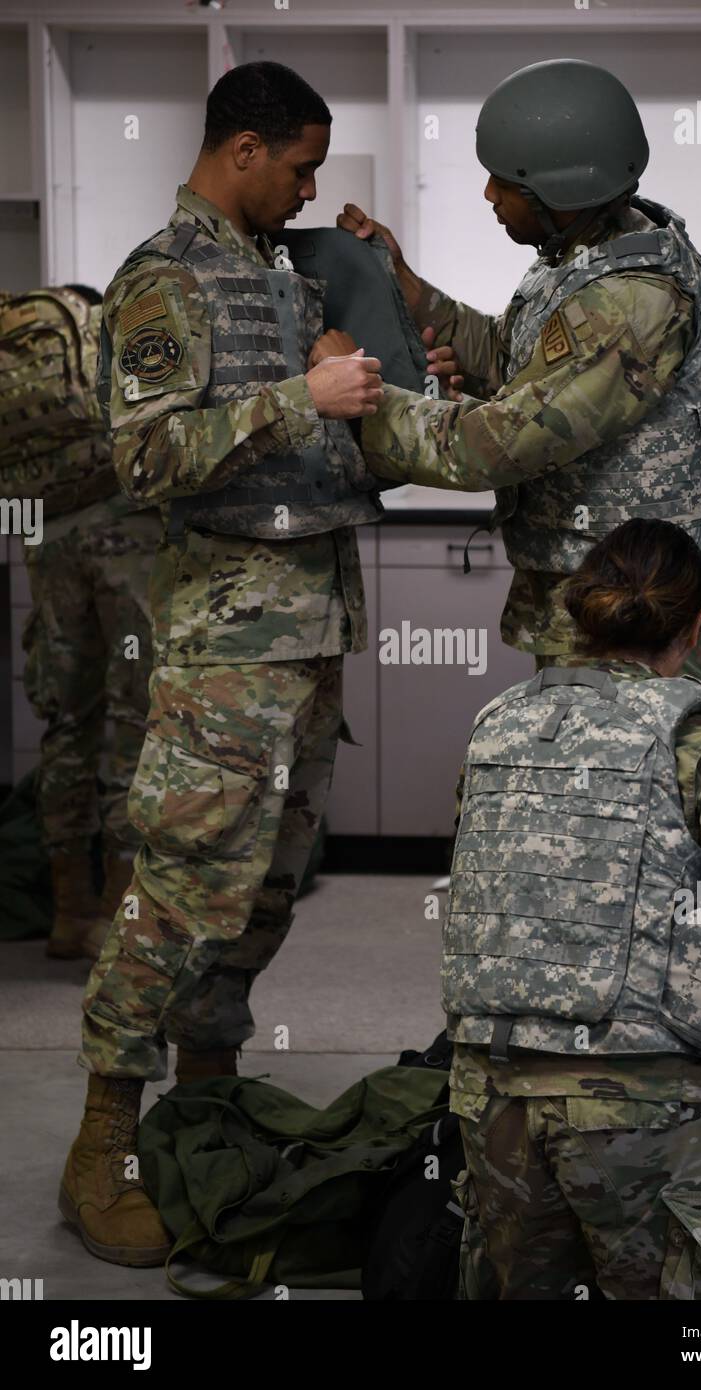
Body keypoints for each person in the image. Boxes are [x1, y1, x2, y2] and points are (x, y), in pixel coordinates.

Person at [58, 60, 441, 1268]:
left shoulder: (279, 267)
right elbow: (149, 461)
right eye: (300, 166)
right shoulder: (162, 279)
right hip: (227, 641)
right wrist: (298, 396)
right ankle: (105, 1137)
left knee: (263, 891)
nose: (309, 188)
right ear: (241, 151)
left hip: (314, 624)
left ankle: (208, 1096)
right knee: (178, 888)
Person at [442, 517, 701, 1300]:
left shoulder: (492, 727)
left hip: (492, 1105)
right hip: (649, 1115)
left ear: (582, 613)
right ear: (699, 625)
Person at [338, 58, 701, 676]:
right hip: (616, 585)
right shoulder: (582, 249)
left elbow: (492, 448)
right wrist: (408, 290)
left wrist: (354, 400)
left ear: (560, 192)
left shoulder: (630, 299)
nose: (489, 195)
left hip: (642, 610)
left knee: (607, 772)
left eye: (504, 182)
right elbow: (520, 358)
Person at [14, 285, 162, 960]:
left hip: (46, 535)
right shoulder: (119, 332)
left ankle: (67, 911)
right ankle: (115, 914)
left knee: (66, 723)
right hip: (122, 534)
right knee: (133, 720)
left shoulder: (36, 345)